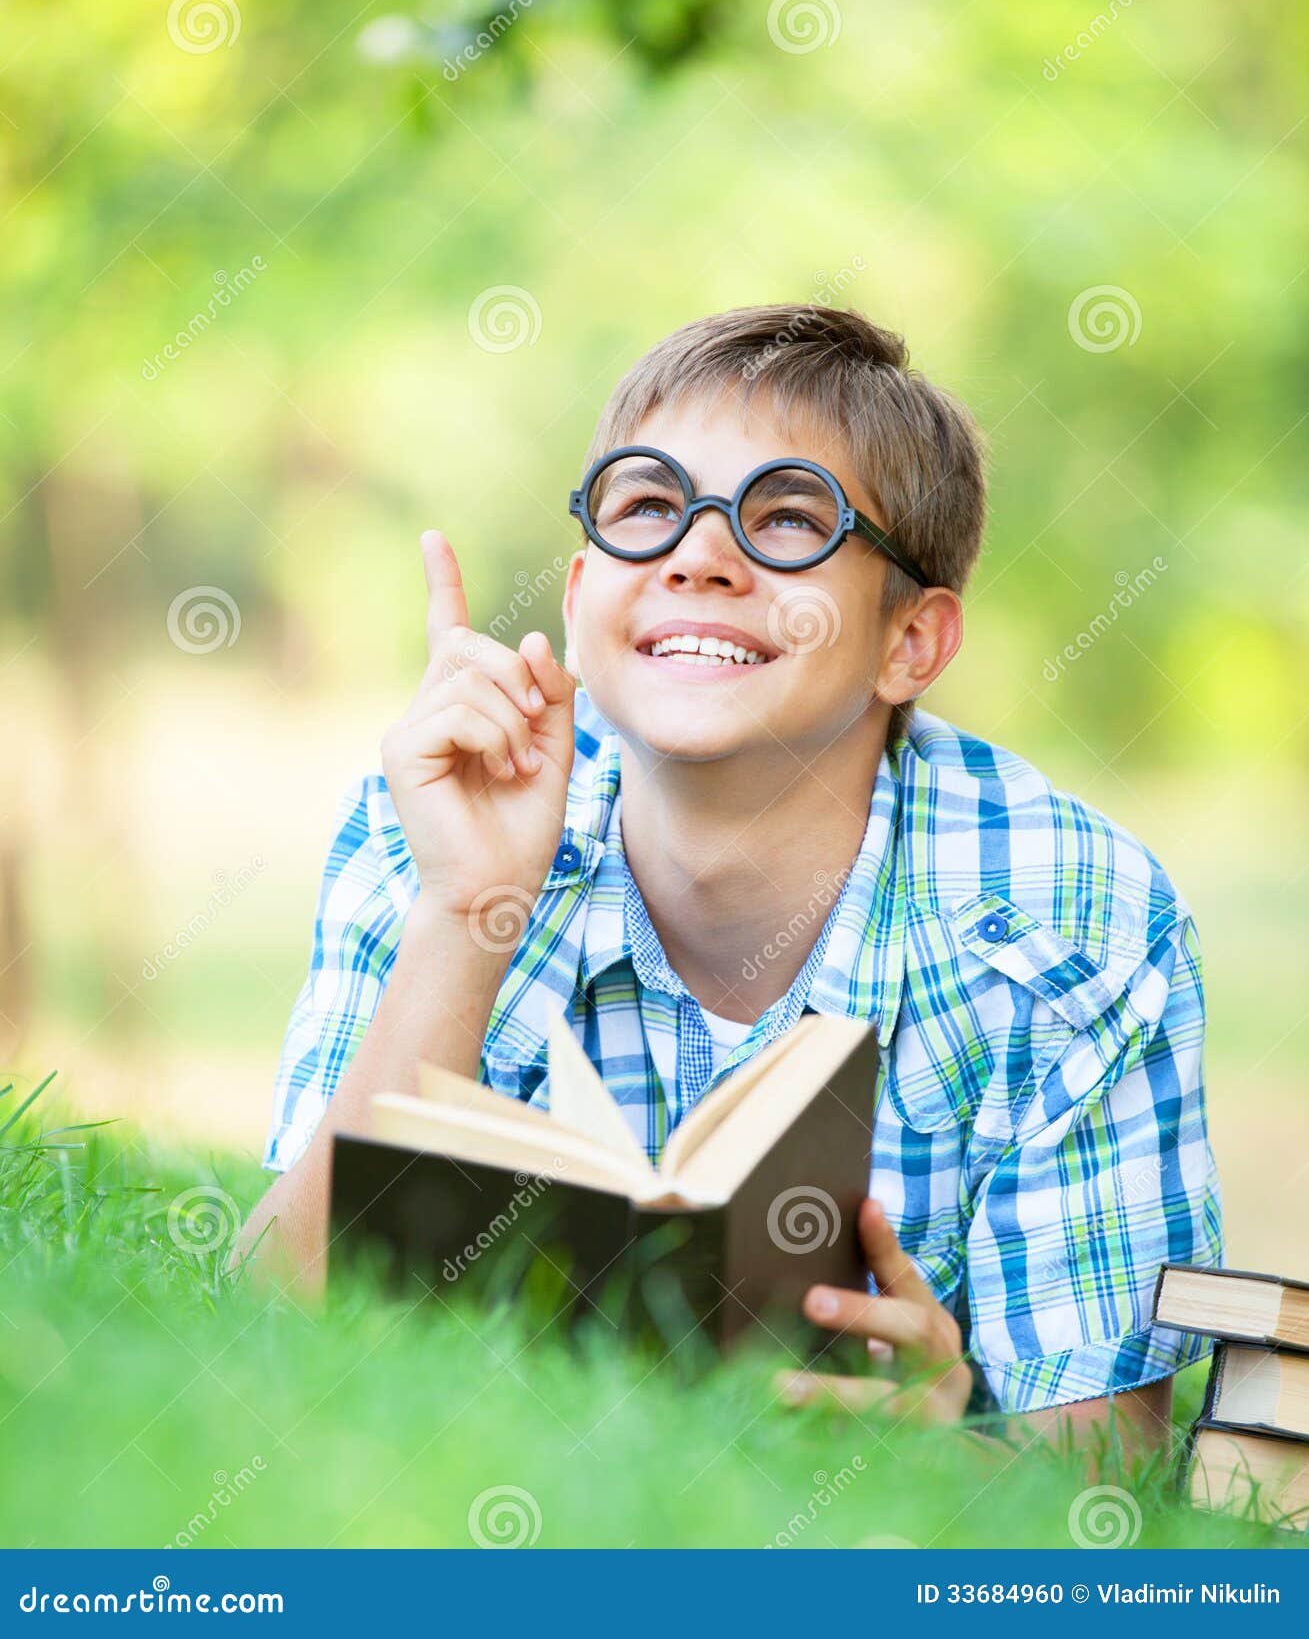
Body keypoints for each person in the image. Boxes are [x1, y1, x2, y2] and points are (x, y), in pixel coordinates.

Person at [235, 305, 1221, 1460]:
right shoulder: (438, 816)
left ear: (910, 641)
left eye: (791, 517)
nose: (697, 555)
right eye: (648, 506)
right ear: (579, 590)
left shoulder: (1080, 922)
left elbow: (1105, 1461)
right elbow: (271, 1314)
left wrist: (946, 1430)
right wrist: (466, 911)